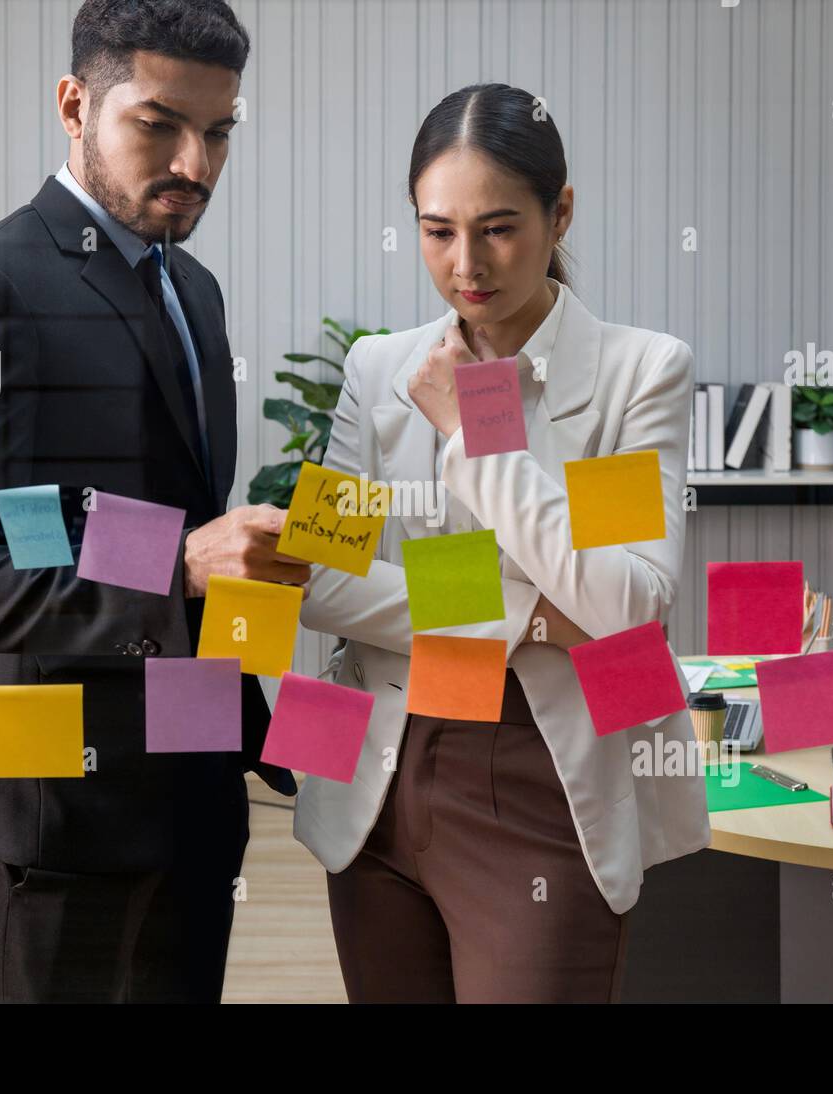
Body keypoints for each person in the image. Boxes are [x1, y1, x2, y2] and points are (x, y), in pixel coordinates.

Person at [0, 0, 307, 1003]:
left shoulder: (193, 289)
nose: (194, 163)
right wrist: (182, 566)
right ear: (75, 104)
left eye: (217, 131)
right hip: (60, 818)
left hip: (195, 794)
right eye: (158, 124)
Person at [295, 83, 712, 1003]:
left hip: (545, 780)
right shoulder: (378, 369)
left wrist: (469, 436)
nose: (465, 266)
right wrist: (528, 615)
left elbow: (628, 604)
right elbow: (321, 581)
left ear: (560, 213)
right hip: (382, 775)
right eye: (437, 231)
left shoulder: (635, 375)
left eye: (498, 228)